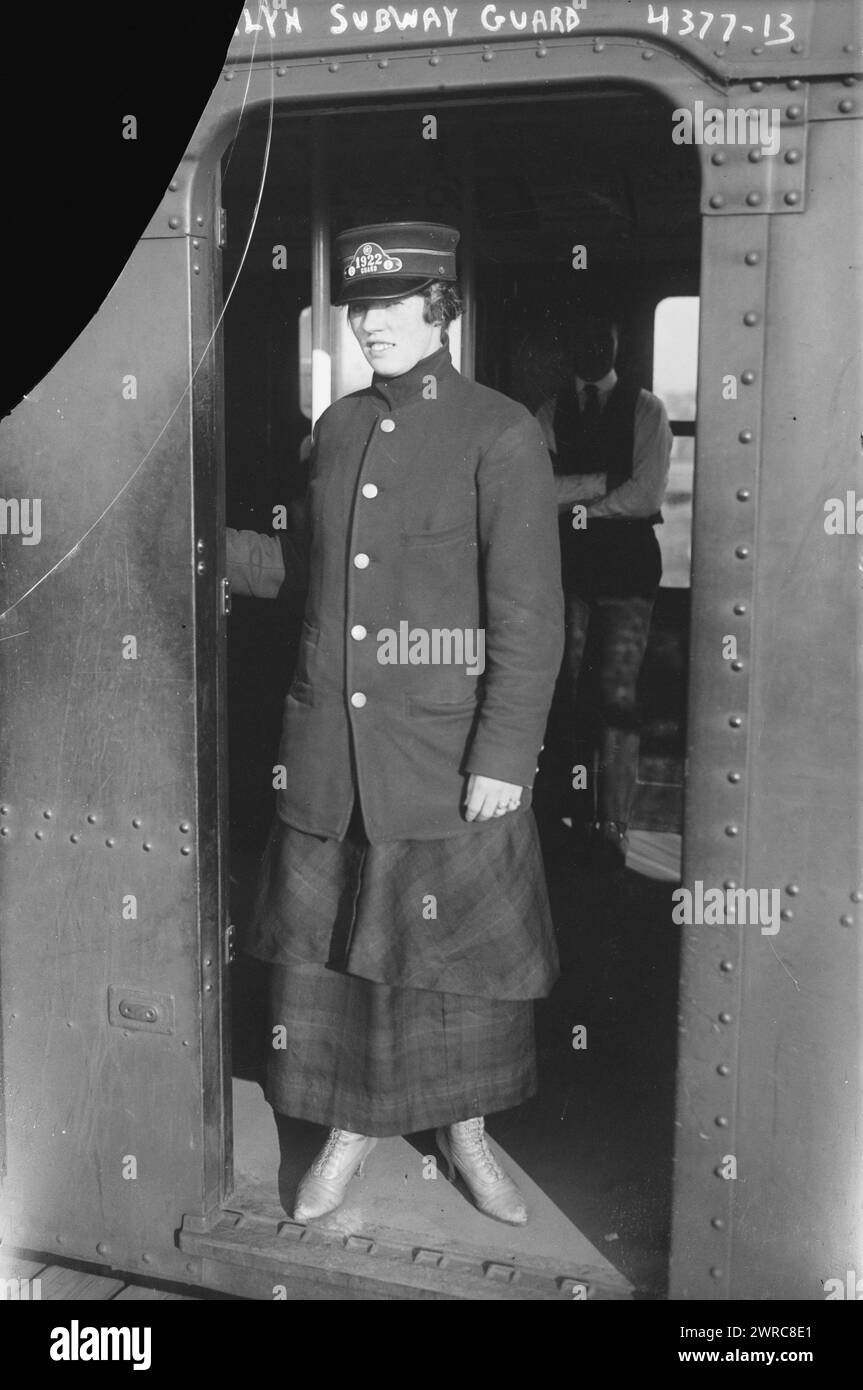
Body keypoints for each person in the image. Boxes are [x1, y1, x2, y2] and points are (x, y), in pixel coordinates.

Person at [226, 222, 563, 1227]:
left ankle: (466, 1139)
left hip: (443, 761)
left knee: (458, 970)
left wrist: (504, 754)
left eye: (389, 304)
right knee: (334, 967)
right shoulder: (333, 428)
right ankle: (348, 1134)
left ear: (438, 308)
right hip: (330, 758)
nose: (368, 323)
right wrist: (207, 548)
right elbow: (309, 577)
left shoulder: (500, 435)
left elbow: (529, 618)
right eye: (358, 308)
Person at [535, 312, 672, 870]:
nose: (593, 346)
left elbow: (646, 493)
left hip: (627, 575)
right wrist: (601, 486)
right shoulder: (548, 411)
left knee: (616, 700)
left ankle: (613, 826)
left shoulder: (647, 408)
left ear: (618, 342)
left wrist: (579, 510)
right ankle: (563, 818)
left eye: (603, 336)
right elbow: (538, 491)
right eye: (583, 337)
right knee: (561, 694)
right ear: (569, 346)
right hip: (566, 574)